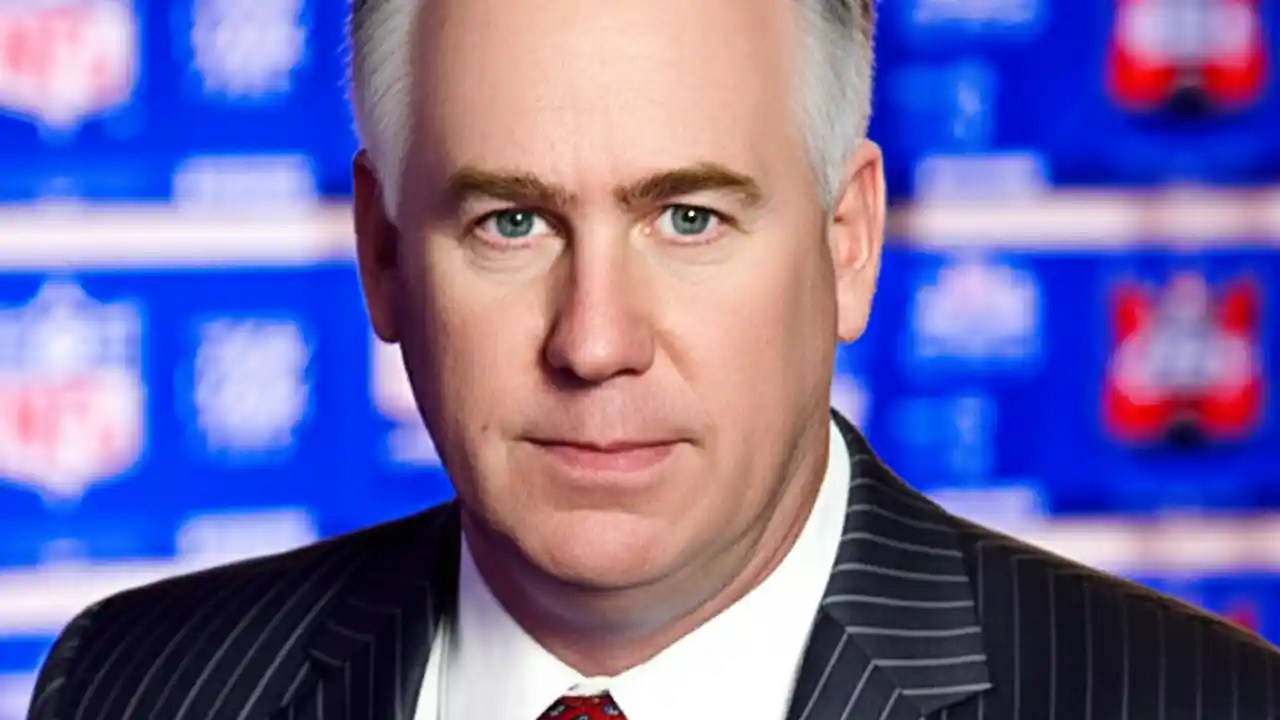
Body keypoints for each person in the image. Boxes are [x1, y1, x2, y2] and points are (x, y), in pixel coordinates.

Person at [27, 0, 1280, 718]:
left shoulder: (1185, 705)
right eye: (509, 222)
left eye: (689, 217)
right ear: (384, 257)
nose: (595, 342)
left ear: (847, 246)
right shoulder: (137, 689)